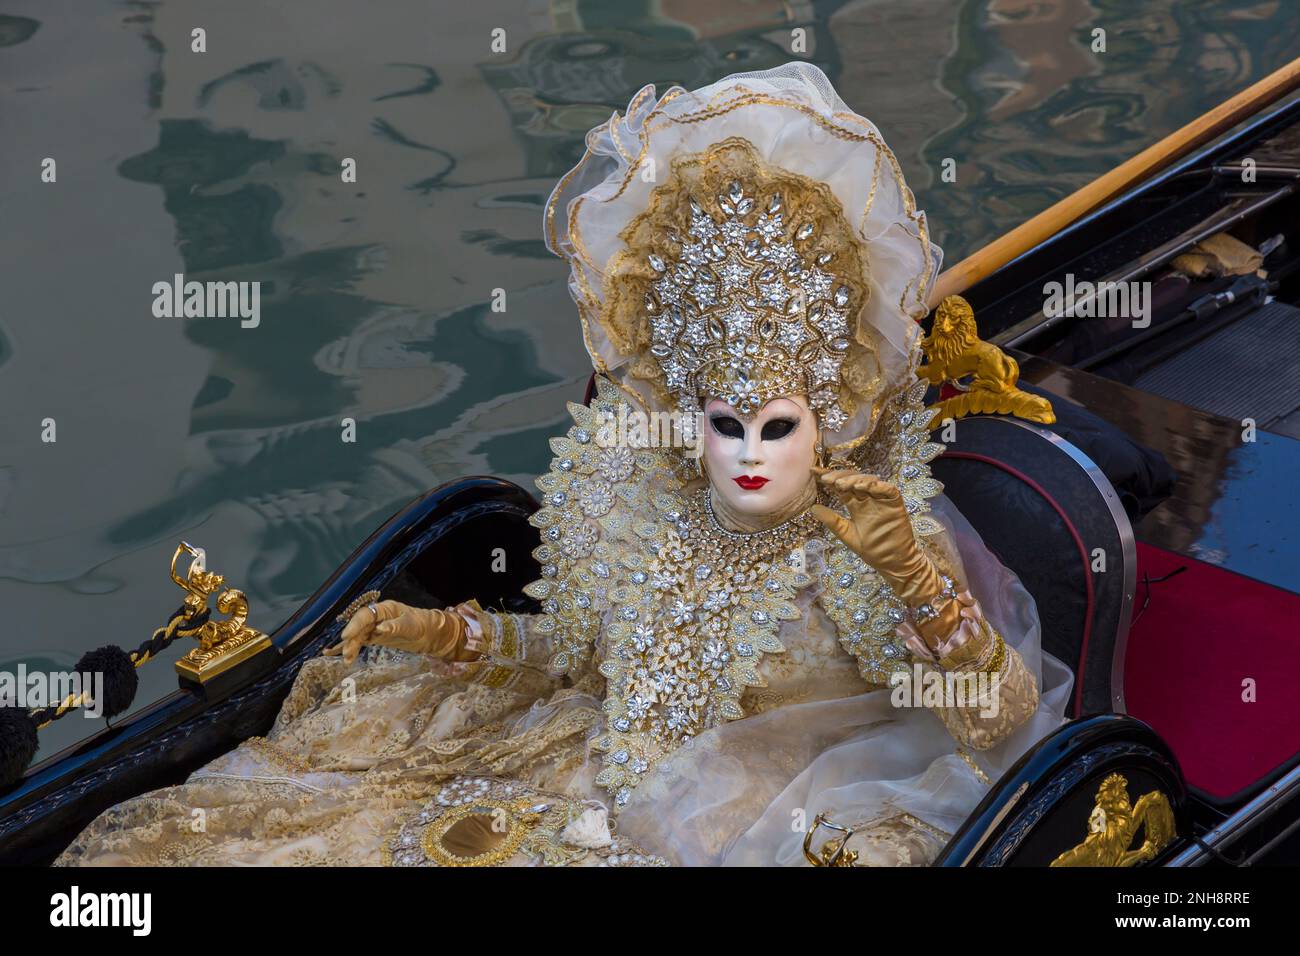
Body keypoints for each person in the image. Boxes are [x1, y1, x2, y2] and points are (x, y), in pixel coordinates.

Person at [55, 62, 1070, 867]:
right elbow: (578, 659)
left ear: (827, 417)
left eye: (777, 426)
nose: (748, 456)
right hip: (592, 764)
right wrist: (445, 632)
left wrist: (918, 584)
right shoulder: (653, 505)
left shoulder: (878, 535)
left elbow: (999, 733)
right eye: (726, 424)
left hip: (762, 819)